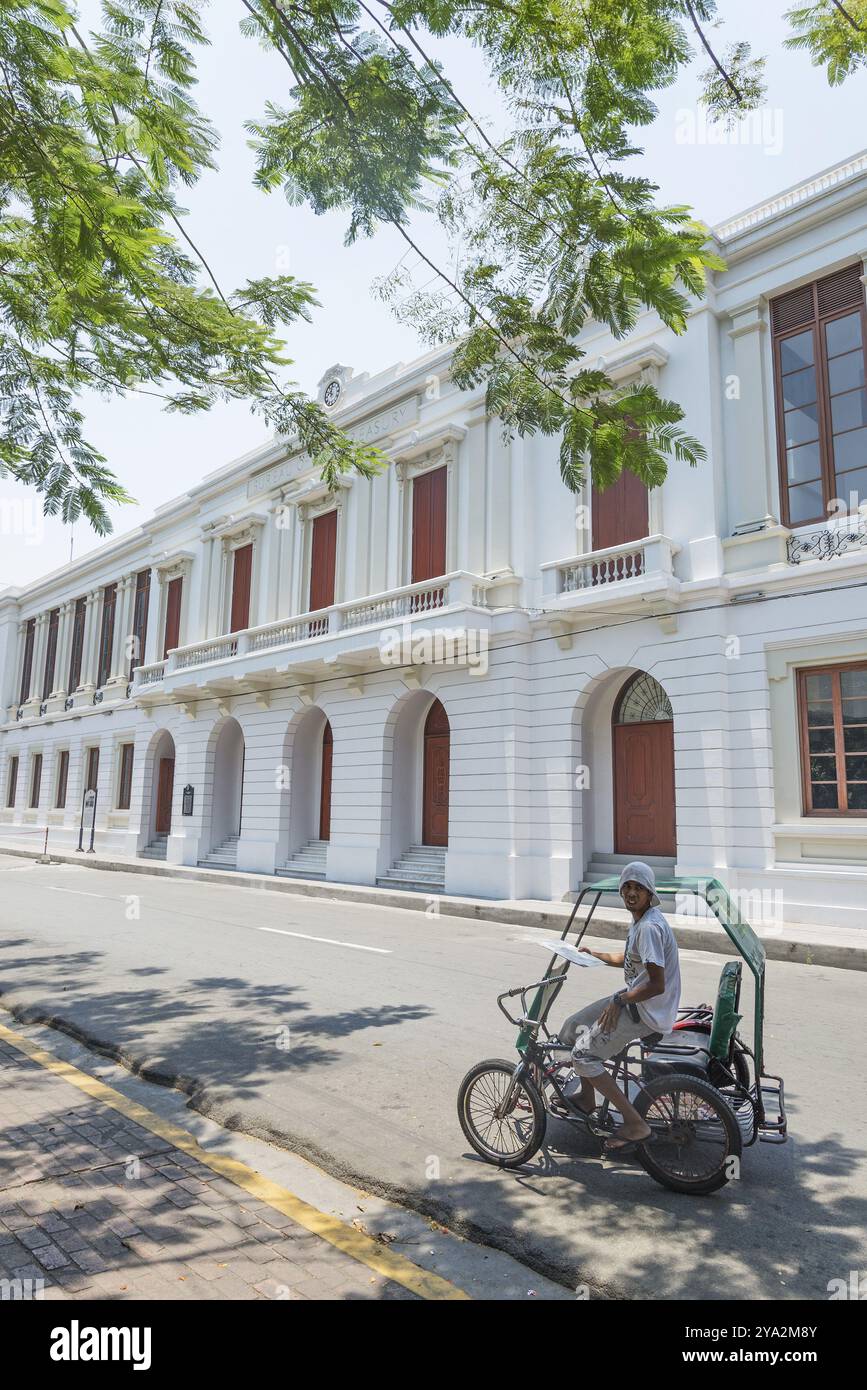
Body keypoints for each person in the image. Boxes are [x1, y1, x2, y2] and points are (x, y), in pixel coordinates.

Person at [558, 860, 682, 1153]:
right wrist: (594, 954)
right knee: (573, 1027)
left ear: (649, 892)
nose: (631, 892)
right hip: (635, 1000)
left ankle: (634, 1123)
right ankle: (588, 1099)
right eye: (626, 886)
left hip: (646, 1011)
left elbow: (656, 984)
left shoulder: (649, 927)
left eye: (638, 887)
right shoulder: (642, 919)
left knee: (582, 1055)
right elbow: (629, 959)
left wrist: (619, 1000)